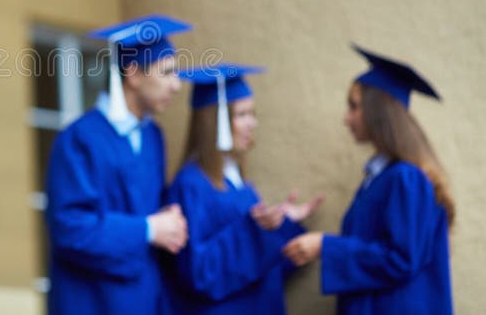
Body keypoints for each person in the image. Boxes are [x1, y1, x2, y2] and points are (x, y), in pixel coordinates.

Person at [282, 45, 454, 314]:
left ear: (379, 113)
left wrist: (325, 247)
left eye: (353, 107)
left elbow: (400, 259)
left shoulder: (406, 178)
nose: (346, 119)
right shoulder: (380, 178)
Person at [45, 15, 191, 314]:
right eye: (167, 73)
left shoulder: (153, 136)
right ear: (134, 74)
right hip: (93, 300)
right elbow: (71, 230)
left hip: (144, 296)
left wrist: (167, 218)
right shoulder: (79, 139)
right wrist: (149, 229)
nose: (176, 85)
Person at [165, 64, 323, 314]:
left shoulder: (236, 181)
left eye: (253, 114)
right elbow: (199, 273)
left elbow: (257, 263)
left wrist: (283, 225)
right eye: (242, 115)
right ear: (214, 121)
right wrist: (255, 229)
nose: (253, 123)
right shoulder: (191, 186)